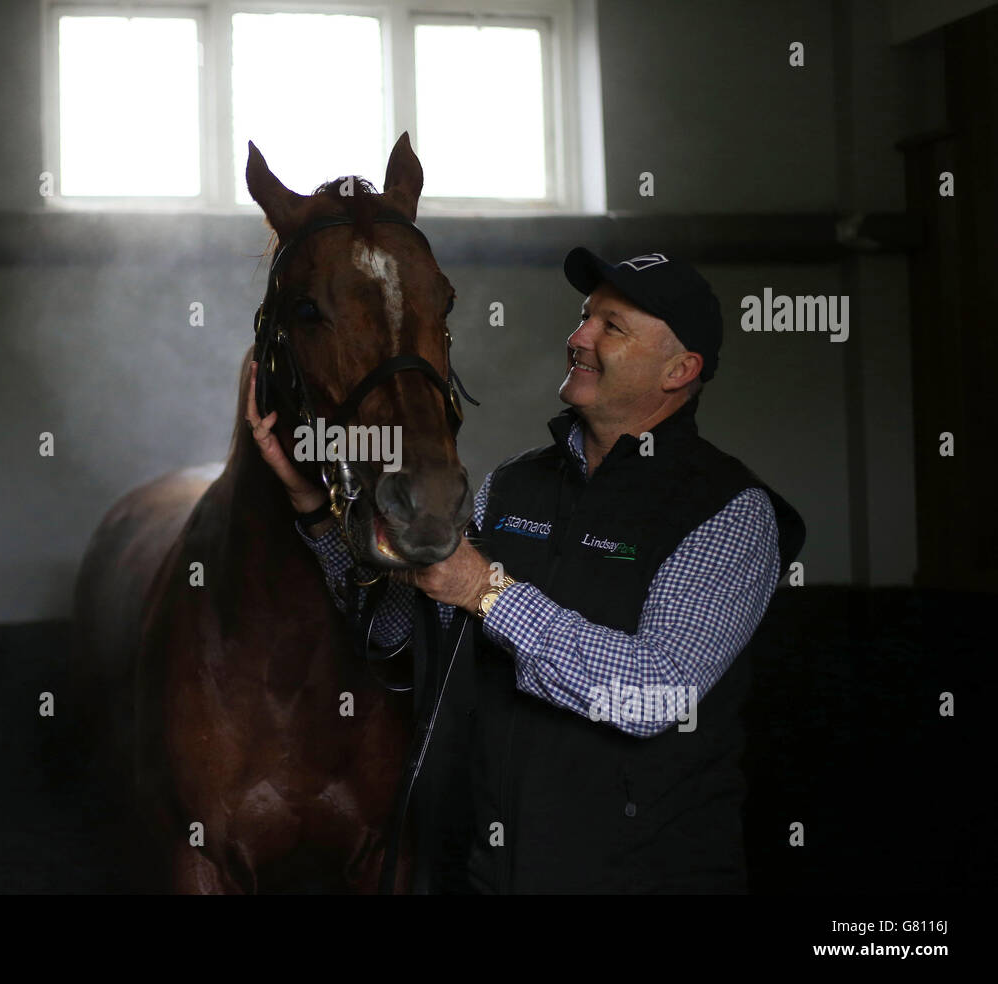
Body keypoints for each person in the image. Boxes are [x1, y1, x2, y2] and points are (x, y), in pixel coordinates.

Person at [246, 248, 806, 893]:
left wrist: (486, 590)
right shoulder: (514, 485)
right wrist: (312, 506)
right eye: (584, 317)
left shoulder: (729, 512)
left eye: (612, 328)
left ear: (679, 370)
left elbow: (655, 694)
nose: (578, 338)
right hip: (487, 871)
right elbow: (401, 634)